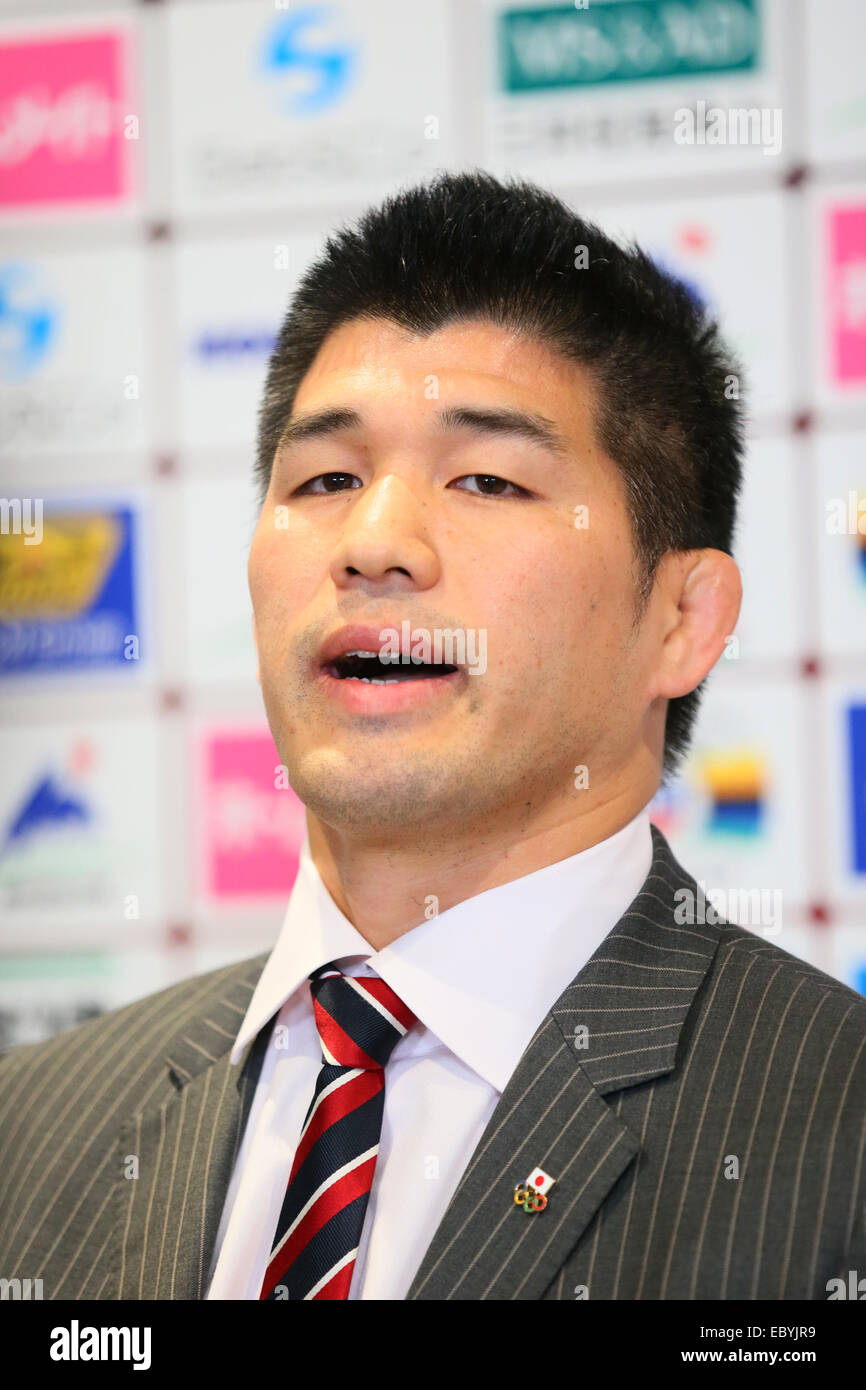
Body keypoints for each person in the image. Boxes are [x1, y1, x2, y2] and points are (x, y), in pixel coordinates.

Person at [1, 171, 863, 1302]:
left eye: (486, 478)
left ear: (681, 618)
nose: (372, 539)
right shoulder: (32, 1129)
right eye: (325, 477)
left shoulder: (830, 1129)